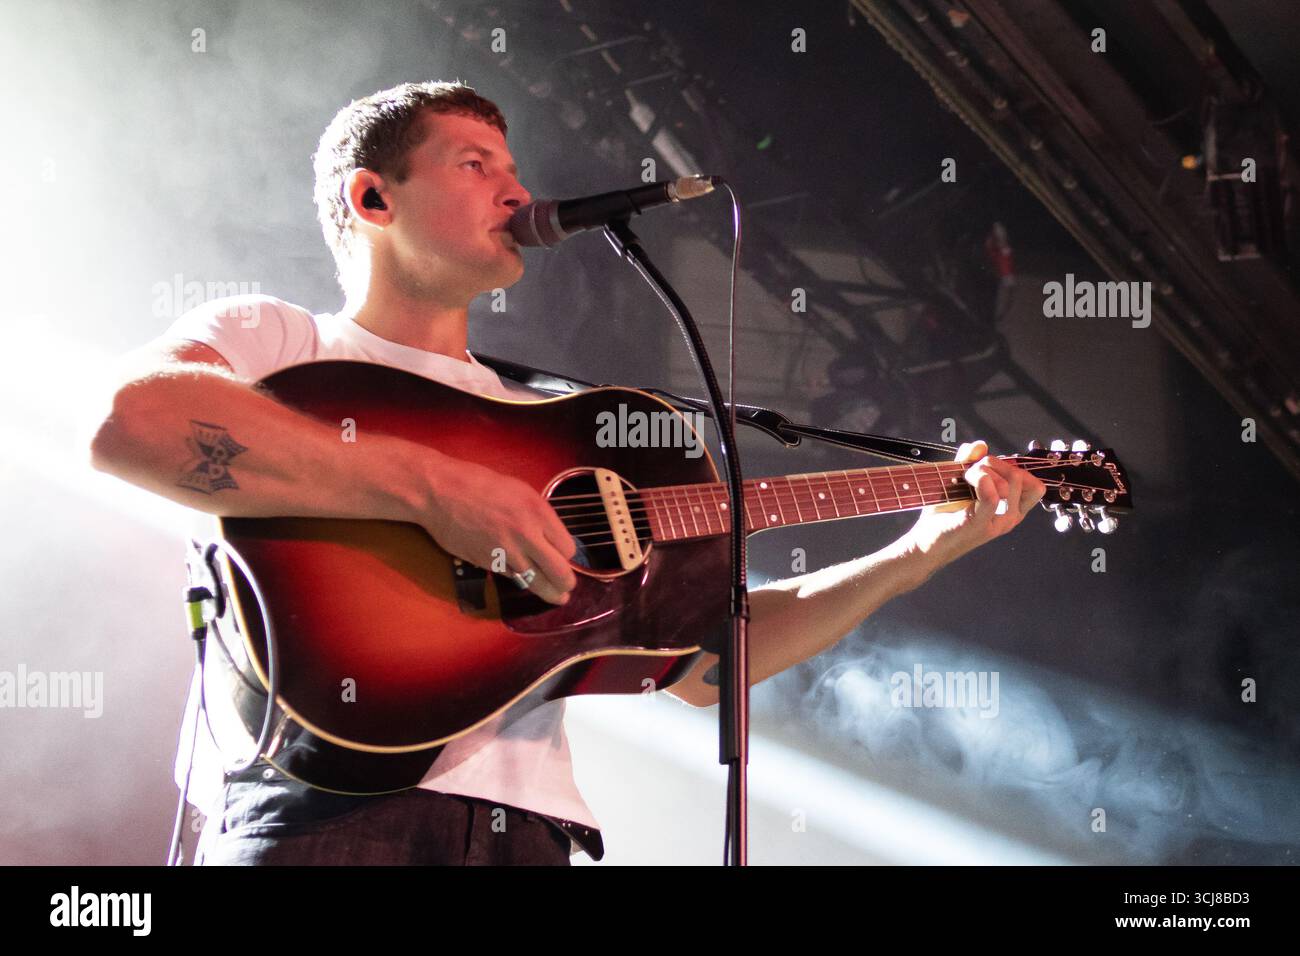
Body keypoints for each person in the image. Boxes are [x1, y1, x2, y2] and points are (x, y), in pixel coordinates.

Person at [87, 80, 1046, 866]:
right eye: (475, 164)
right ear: (373, 198)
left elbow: (707, 668)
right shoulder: (281, 342)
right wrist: (435, 489)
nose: (515, 191)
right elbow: (134, 423)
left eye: (513, 167)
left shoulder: (551, 417)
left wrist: (922, 548)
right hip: (322, 816)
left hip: (531, 837)